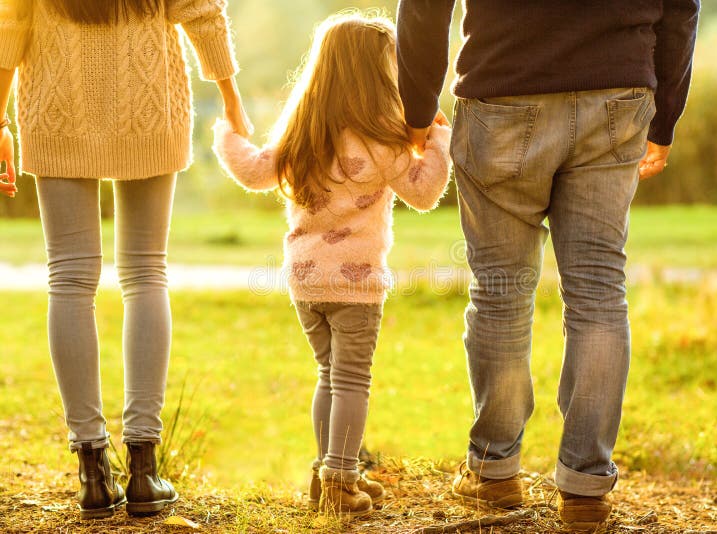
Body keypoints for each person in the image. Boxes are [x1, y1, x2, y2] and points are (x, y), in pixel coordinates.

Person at [397, 0, 699, 530]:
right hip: (618, 90)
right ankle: (585, 485)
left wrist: (416, 106)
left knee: (500, 292)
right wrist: (666, 114)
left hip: (504, 90)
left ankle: (494, 471)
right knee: (599, 291)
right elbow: (680, 6)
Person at [0, 0, 251, 519]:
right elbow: (203, 10)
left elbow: (10, 22)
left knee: (68, 278)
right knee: (145, 271)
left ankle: (92, 471)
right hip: (149, 109)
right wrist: (231, 97)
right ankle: (143, 468)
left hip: (55, 108)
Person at [212, 11, 452, 518]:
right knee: (351, 381)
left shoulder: (301, 131)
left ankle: (329, 472)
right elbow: (426, 192)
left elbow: (254, 171)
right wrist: (438, 142)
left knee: (328, 374)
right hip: (357, 284)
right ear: (377, 76)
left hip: (305, 282)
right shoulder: (380, 136)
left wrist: (225, 135)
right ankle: (342, 480)